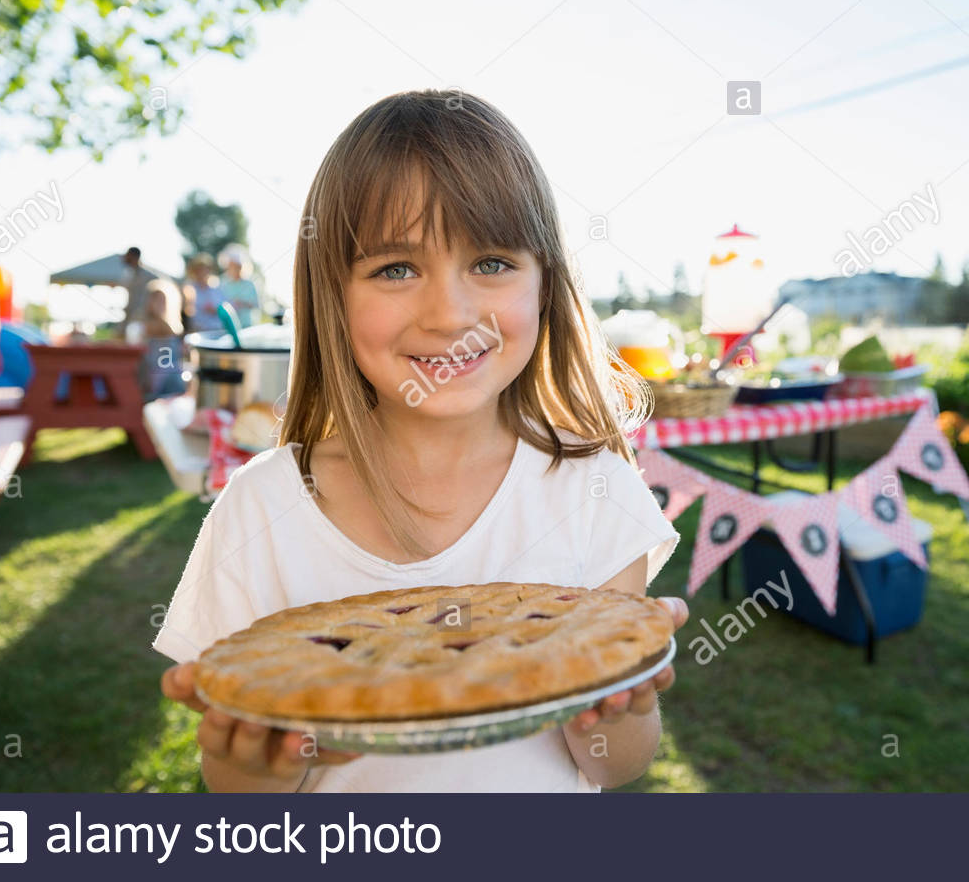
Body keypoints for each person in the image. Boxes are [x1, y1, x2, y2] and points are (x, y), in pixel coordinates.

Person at [155, 90, 689, 793]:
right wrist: (253, 762)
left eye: (492, 262)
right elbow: (242, 791)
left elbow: (614, 767)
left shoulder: (595, 490)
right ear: (331, 296)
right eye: (395, 269)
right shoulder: (261, 510)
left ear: (545, 284)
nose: (450, 314)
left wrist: (613, 715)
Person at [138, 278, 187, 400]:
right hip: (152, 379)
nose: (160, 304)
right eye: (156, 300)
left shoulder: (174, 326)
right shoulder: (146, 325)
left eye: (163, 300)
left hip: (170, 379)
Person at [218, 246, 260, 328]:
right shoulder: (222, 283)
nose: (235, 269)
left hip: (248, 325)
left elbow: (256, 304)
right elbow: (219, 304)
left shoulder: (249, 283)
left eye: (237, 266)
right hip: (228, 326)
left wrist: (242, 303)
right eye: (232, 266)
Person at [120, 246, 157, 338]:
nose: (125, 259)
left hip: (143, 320)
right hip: (130, 317)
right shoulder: (129, 274)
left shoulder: (149, 276)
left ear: (134, 256)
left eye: (127, 256)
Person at [181, 253, 223, 333]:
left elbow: (224, 308)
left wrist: (216, 310)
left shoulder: (217, 288)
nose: (202, 272)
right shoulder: (189, 287)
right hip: (197, 331)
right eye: (199, 269)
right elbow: (187, 310)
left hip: (217, 330)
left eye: (205, 269)